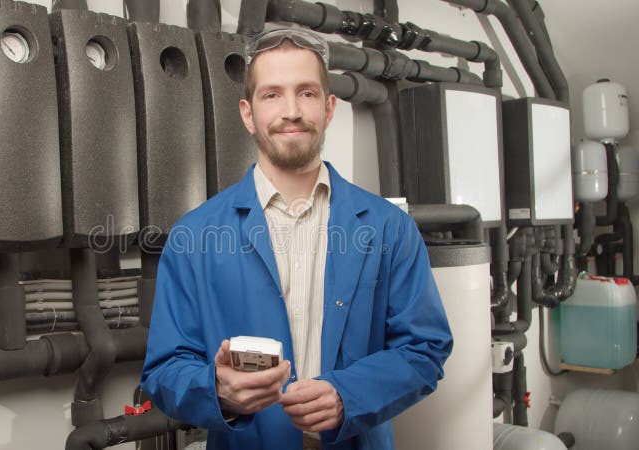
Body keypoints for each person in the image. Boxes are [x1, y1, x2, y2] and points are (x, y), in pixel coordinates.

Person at [140, 28, 453, 450]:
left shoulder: (388, 228)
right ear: (248, 114)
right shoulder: (194, 237)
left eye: (306, 93)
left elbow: (425, 347)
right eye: (272, 95)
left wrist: (349, 396)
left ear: (328, 108)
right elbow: (163, 370)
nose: (291, 111)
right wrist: (218, 391)